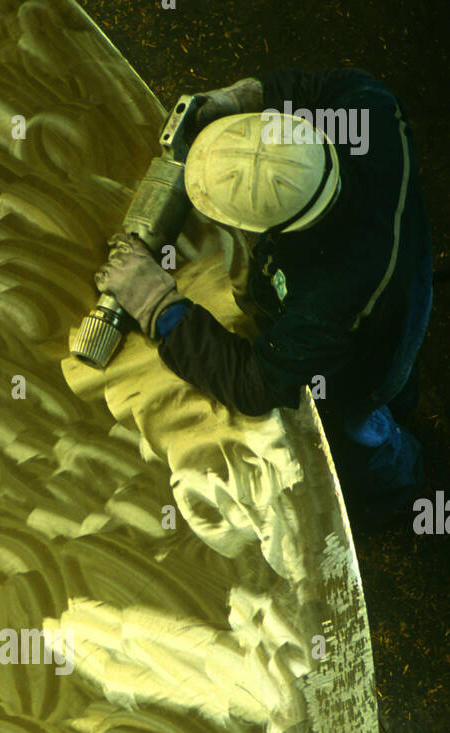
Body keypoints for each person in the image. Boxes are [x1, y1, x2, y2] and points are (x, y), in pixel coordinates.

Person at [95, 70, 434, 522]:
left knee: (359, 419)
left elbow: (257, 383)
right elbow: (325, 85)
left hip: (364, 362)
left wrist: (157, 305)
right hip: (404, 295)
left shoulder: (324, 301)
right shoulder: (372, 120)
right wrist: (241, 99)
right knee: (398, 365)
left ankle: (402, 483)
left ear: (268, 229)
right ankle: (401, 398)